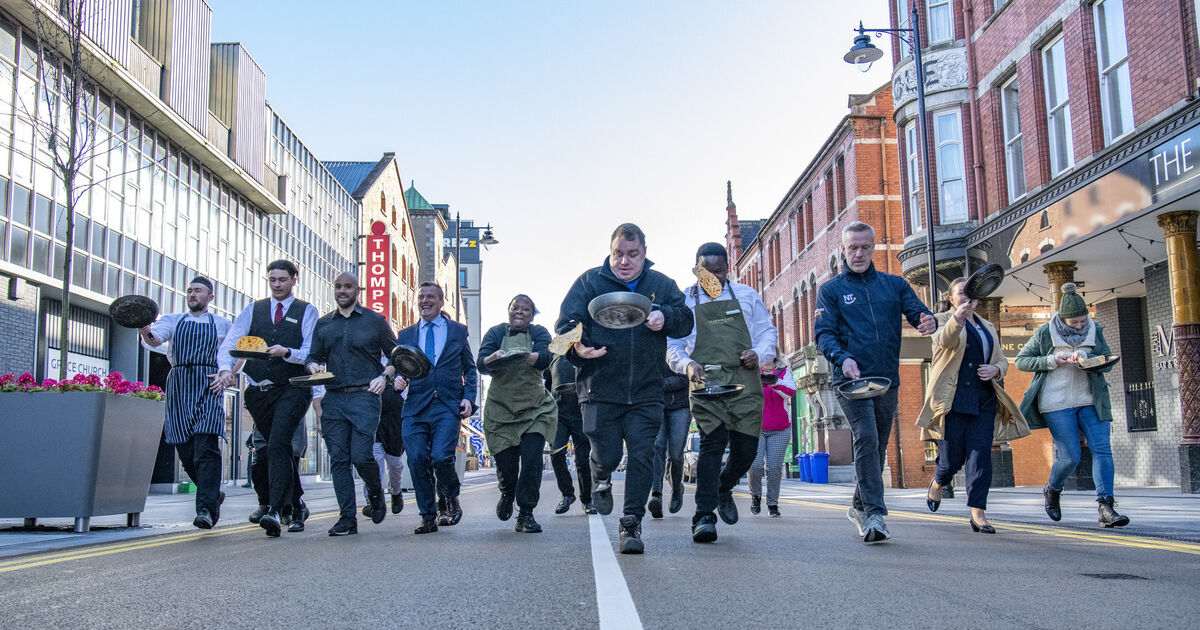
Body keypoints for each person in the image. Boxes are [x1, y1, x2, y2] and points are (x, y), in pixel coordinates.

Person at [556, 223, 692, 554]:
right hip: (599, 386)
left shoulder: (660, 284)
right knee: (608, 454)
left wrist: (664, 316)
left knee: (643, 455)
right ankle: (600, 474)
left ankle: (631, 523)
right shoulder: (590, 282)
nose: (625, 261)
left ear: (644, 253)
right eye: (619, 253)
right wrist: (578, 347)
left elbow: (685, 318)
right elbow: (564, 326)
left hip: (646, 389)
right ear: (610, 250)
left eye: (633, 254)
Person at [814, 222, 936, 544]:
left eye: (864, 248)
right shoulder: (831, 290)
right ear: (843, 249)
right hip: (850, 379)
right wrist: (843, 358)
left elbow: (918, 312)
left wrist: (928, 320)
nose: (858, 253)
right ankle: (875, 515)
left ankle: (858, 505)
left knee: (878, 446)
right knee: (865, 436)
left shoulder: (894, 285)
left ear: (873, 249)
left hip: (885, 379)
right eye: (852, 248)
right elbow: (823, 334)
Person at [667, 242, 776, 544]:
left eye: (719, 271)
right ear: (697, 269)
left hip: (745, 379)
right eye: (706, 272)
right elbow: (672, 347)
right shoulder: (685, 303)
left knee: (746, 453)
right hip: (706, 380)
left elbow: (768, 331)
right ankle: (703, 516)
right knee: (712, 445)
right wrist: (687, 365)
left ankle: (723, 487)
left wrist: (759, 352)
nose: (713, 278)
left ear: (728, 268)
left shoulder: (747, 296)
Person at [917, 278, 1029, 533]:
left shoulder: (987, 325)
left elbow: (1002, 361)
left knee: (980, 457)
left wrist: (995, 370)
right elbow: (944, 342)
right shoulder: (942, 320)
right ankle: (938, 482)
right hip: (952, 400)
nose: (968, 299)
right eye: (962, 294)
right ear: (951, 298)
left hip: (983, 399)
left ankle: (978, 512)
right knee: (951, 460)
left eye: (972, 295)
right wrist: (958, 318)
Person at [216, 259, 319, 537]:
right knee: (272, 451)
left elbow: (311, 349)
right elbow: (233, 343)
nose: (276, 285)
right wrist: (226, 370)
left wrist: (287, 352)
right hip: (259, 391)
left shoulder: (307, 311)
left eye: (282, 280)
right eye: (272, 280)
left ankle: (274, 509)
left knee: (278, 444)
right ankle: (296, 504)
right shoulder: (254, 309)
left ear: (294, 280)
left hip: (292, 388)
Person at [1015, 282, 1128, 528]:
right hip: (1056, 403)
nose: (1079, 326)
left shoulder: (1094, 331)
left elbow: (1107, 361)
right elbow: (1022, 361)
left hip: (1090, 400)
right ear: (1063, 319)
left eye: (1082, 321)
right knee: (1070, 457)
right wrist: (1052, 359)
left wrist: (1090, 359)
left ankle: (1106, 506)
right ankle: (1053, 490)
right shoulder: (1046, 333)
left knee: (1102, 449)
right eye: (1073, 322)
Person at [305, 272, 398, 536]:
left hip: (365, 396)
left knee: (361, 456)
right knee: (339, 459)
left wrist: (384, 376)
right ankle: (347, 518)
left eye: (348, 287)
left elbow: (396, 356)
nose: (342, 291)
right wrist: (312, 365)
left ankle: (376, 493)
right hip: (334, 397)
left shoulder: (375, 322)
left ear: (359, 290)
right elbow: (313, 356)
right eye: (338, 287)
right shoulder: (324, 324)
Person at [139, 276, 232, 529]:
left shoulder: (223, 324)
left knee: (206, 448)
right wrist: (144, 329)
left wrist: (226, 374)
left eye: (198, 291)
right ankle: (212, 494)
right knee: (185, 448)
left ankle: (204, 509)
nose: (192, 294)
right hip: (179, 384)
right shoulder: (173, 320)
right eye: (189, 290)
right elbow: (155, 340)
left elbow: (234, 353)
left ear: (210, 297)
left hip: (209, 385)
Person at [394, 282, 478, 534]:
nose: (425, 301)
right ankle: (428, 516)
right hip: (416, 406)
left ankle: (450, 497)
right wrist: (399, 380)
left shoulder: (456, 331)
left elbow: (470, 369)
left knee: (441, 457)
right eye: (421, 297)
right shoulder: (406, 335)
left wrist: (468, 398)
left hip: (446, 405)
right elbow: (400, 367)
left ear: (442, 302)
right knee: (417, 459)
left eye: (431, 297)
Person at [478, 295, 557, 533]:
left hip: (534, 409)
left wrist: (526, 356)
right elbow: (482, 363)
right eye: (515, 308)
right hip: (500, 409)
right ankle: (506, 491)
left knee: (532, 461)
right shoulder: (495, 333)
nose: (519, 312)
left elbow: (546, 357)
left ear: (532, 315)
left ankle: (526, 513)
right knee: (507, 466)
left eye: (525, 309)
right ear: (509, 311)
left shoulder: (540, 333)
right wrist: (496, 357)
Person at [748, 349, 797, 518]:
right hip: (756, 427)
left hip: (780, 428)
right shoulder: (752, 371)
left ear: (775, 355)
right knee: (755, 465)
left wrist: (774, 383)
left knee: (774, 469)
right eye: (764, 354)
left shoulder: (783, 371)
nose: (767, 358)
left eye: (770, 354)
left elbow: (791, 391)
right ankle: (755, 496)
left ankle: (773, 503)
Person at [548, 355, 595, 515]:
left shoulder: (583, 351)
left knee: (582, 459)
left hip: (581, 412)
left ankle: (587, 499)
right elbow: (546, 386)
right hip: (559, 413)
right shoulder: (552, 355)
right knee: (556, 453)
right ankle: (567, 494)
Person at [249, 416, 310, 533]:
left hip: (290, 409)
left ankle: (290, 508)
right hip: (265, 411)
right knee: (261, 457)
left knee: (286, 457)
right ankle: (267, 504)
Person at [648, 362, 690, 518]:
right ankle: (656, 495)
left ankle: (677, 488)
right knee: (657, 447)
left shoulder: (680, 343)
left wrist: (656, 383)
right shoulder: (650, 346)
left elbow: (684, 377)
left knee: (675, 454)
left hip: (681, 405)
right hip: (656, 405)